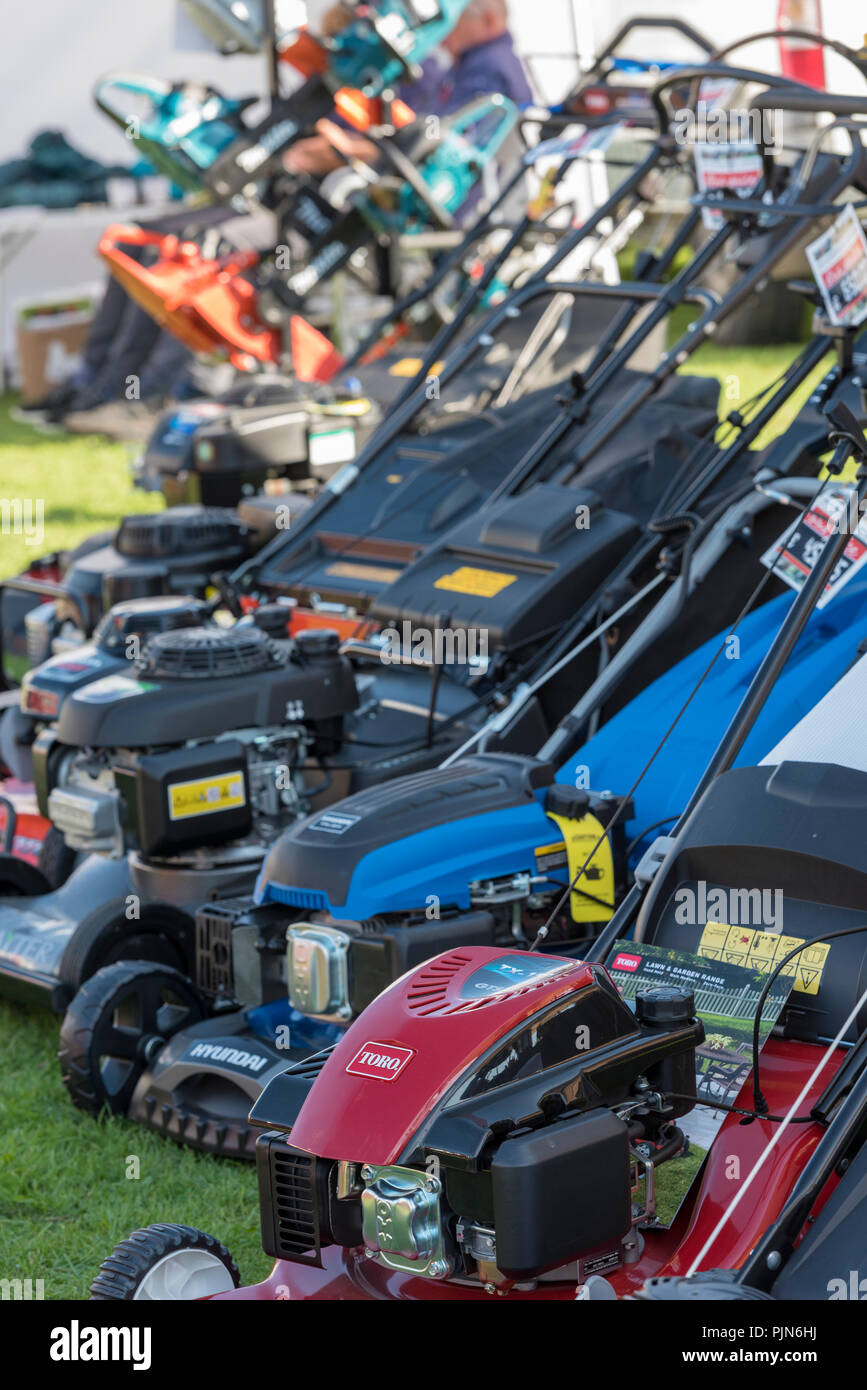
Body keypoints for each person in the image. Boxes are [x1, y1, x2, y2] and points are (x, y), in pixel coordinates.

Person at [287, 0, 532, 178]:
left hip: (436, 215)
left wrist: (354, 150)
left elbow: (448, 148)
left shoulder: (491, 69)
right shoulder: (474, 64)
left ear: (488, 21)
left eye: (453, 22)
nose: (442, 34)